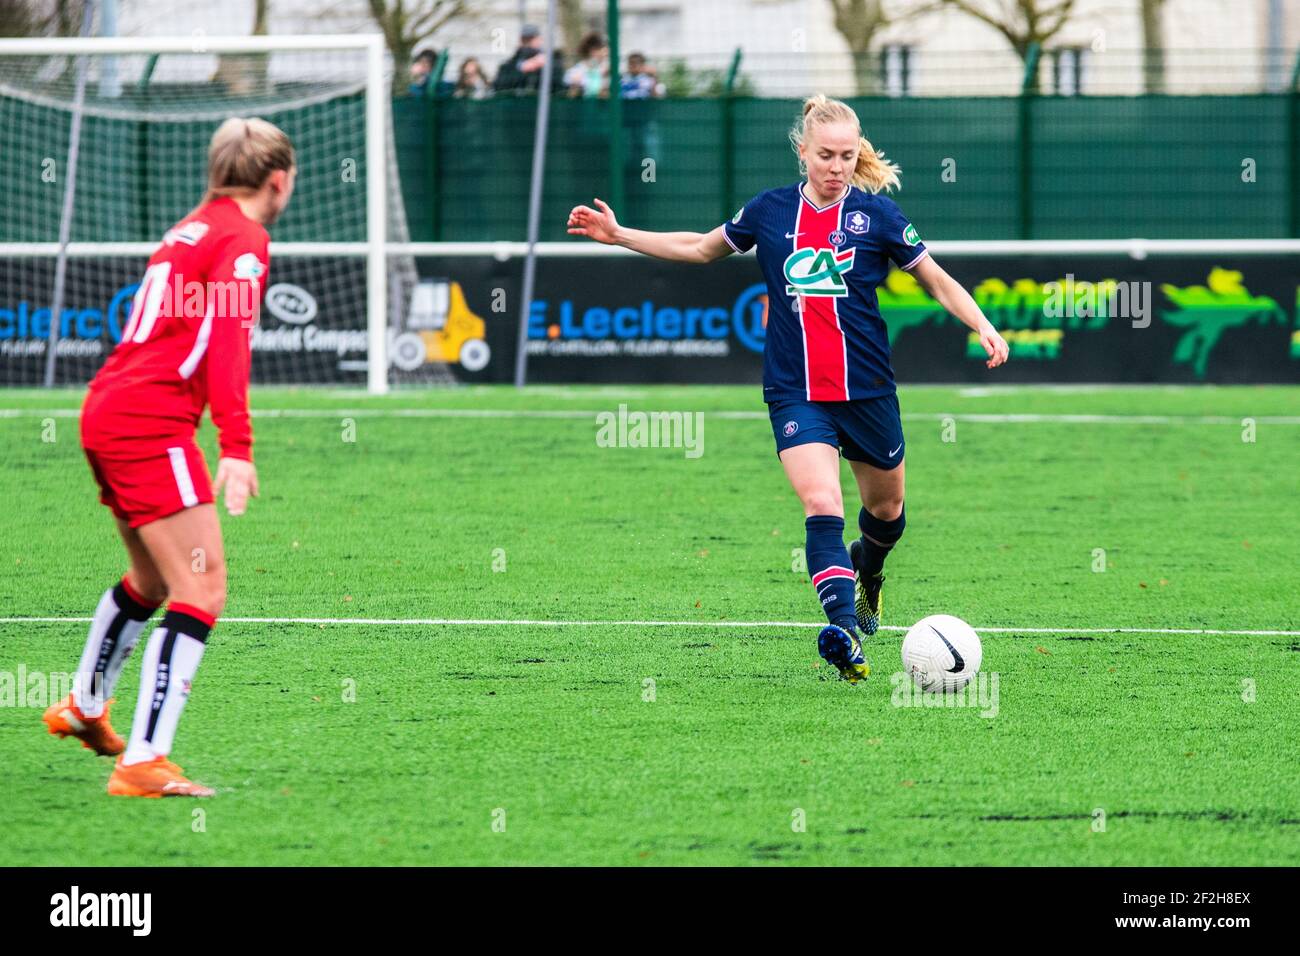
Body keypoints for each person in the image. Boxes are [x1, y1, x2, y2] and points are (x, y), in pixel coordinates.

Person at [567, 94, 1010, 683]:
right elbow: (701, 248)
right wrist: (621, 234)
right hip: (795, 390)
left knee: (887, 512)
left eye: (847, 156)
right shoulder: (769, 212)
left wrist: (981, 324)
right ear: (803, 152)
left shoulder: (877, 218)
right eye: (825, 154)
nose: (836, 166)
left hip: (869, 390)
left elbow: (936, 279)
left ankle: (867, 572)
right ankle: (843, 633)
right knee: (822, 505)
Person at [42, 117, 296, 795]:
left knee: (151, 582)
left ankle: (85, 709)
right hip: (149, 423)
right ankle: (143, 762)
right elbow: (229, 342)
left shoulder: (192, 226)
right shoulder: (245, 239)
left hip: (106, 409)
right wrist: (237, 447)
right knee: (202, 587)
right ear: (279, 179)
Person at [493, 23, 565, 94]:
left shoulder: (552, 63)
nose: (528, 43)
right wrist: (521, 69)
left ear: (539, 40)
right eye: (525, 40)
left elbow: (558, 87)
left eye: (531, 39)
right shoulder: (509, 65)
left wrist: (542, 67)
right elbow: (499, 87)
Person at [563, 31, 608, 98]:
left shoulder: (607, 69)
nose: (605, 54)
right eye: (603, 50)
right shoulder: (576, 71)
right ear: (593, 50)